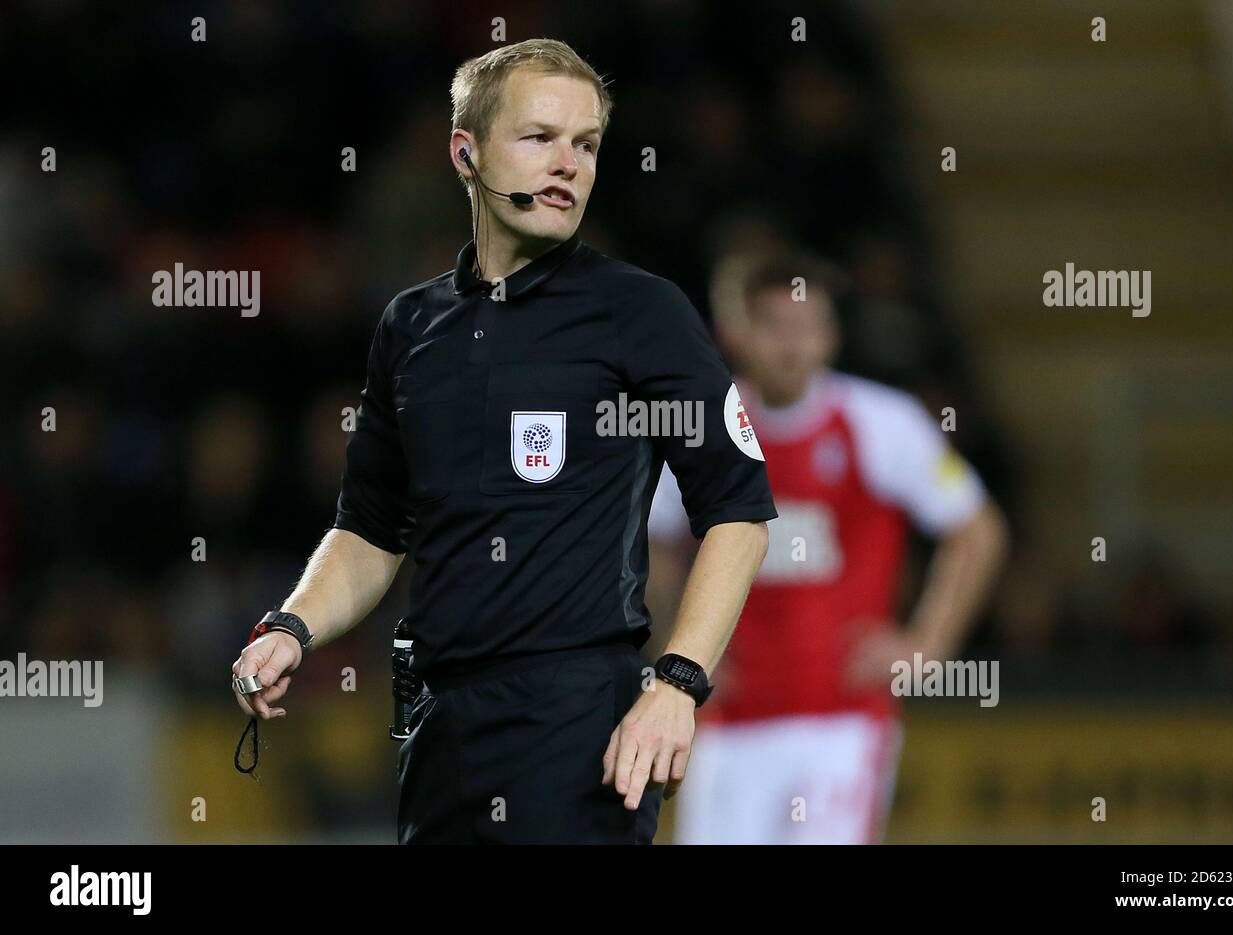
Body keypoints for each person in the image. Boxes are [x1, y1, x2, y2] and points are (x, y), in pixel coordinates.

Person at [229, 39, 775, 844]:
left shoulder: (641, 314)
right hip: (438, 724)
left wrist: (677, 682)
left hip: (579, 723)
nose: (568, 163)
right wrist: (291, 624)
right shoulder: (410, 327)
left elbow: (739, 511)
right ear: (466, 151)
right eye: (539, 136)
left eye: (586, 144)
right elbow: (372, 530)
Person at [646, 250, 1007, 844]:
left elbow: (977, 530)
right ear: (735, 331)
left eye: (809, 325)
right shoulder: (699, 431)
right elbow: (654, 546)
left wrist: (927, 645)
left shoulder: (881, 422)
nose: (793, 345)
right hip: (727, 721)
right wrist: (675, 653)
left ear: (832, 334)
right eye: (775, 325)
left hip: (841, 721)